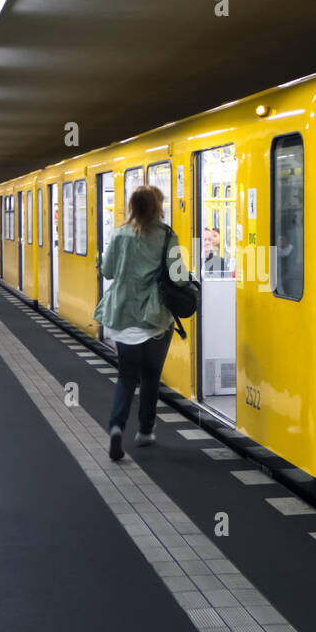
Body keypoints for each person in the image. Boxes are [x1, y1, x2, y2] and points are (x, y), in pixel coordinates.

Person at [93, 185, 187, 461]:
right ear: (158, 206)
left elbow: (107, 270)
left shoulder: (120, 234)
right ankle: (146, 430)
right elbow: (179, 278)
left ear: (132, 206)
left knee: (126, 376)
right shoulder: (167, 235)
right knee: (150, 377)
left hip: (122, 316)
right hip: (154, 319)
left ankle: (116, 428)